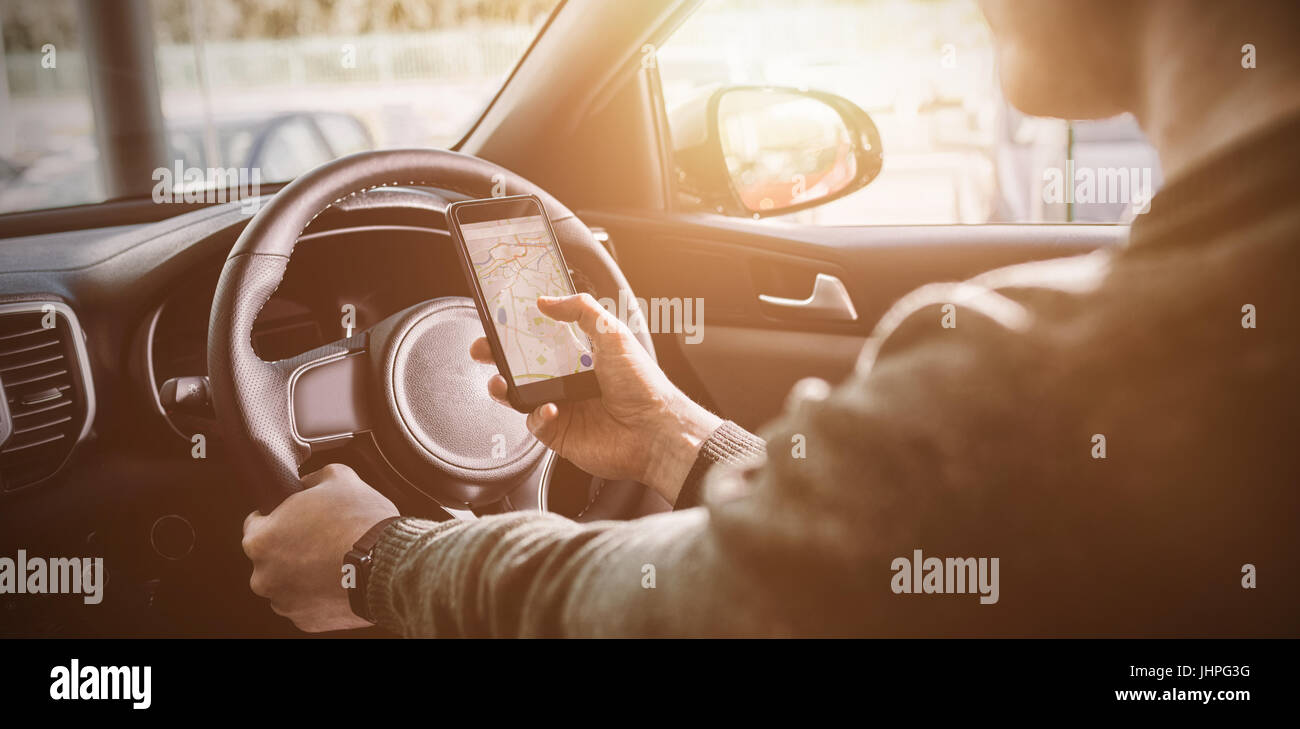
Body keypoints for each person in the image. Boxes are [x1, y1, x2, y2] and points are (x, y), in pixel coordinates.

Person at [242, 0, 1300, 636]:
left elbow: (698, 613)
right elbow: (886, 568)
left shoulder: (1028, 383)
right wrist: (670, 435)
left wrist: (380, 562)